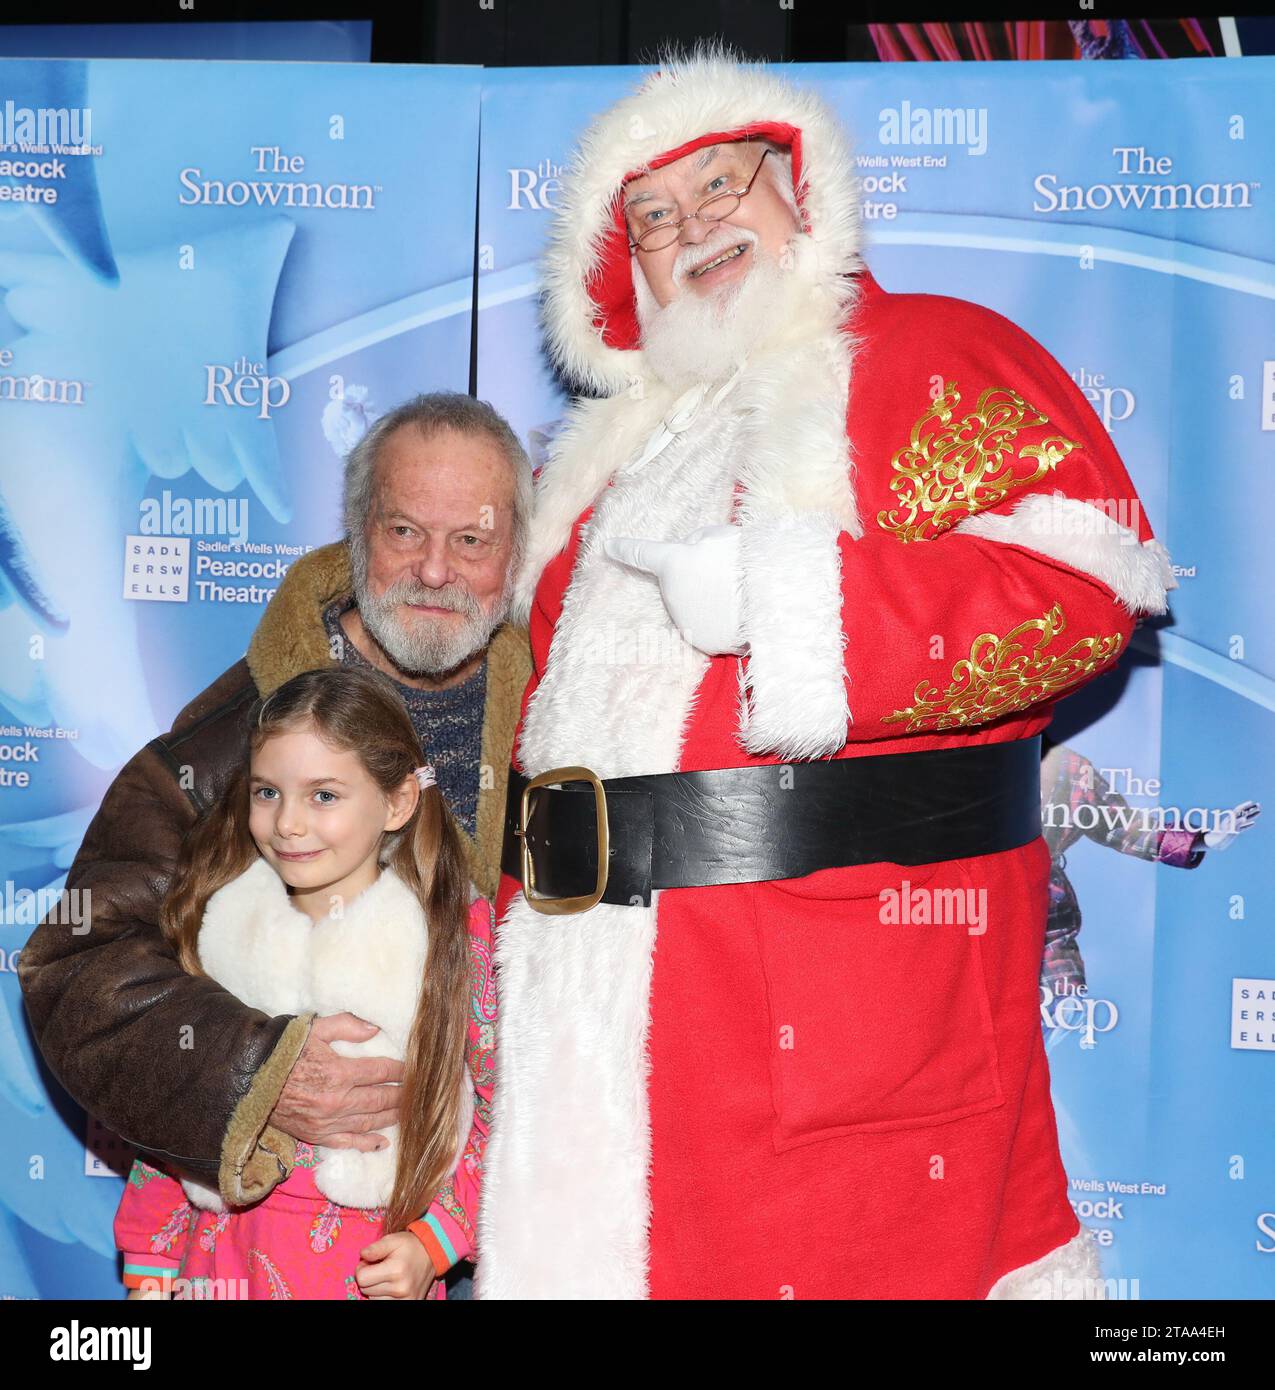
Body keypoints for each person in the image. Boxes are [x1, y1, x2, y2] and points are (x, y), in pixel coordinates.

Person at [476, 45, 1176, 1299]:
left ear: (797, 189)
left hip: (843, 1016)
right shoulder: (601, 467)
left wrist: (799, 600)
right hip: (599, 1019)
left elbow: (1095, 585)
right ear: (621, 268)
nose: (691, 227)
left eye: (720, 185)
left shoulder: (924, 355)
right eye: (652, 215)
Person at [19, 393, 530, 1235]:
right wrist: (258, 1071)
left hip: (509, 1235)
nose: (434, 570)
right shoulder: (233, 739)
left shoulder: (570, 722)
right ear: (358, 528)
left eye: (470, 540)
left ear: (516, 551)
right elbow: (77, 963)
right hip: (275, 1240)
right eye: (404, 531)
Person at [113, 666, 495, 1301]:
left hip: (368, 1268)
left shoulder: (455, 939)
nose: (288, 823)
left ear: (398, 801)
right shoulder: (221, 924)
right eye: (267, 792)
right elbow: (174, 1100)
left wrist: (436, 1241)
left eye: (324, 795)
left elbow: (510, 1112)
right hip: (220, 1265)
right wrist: (150, 1255)